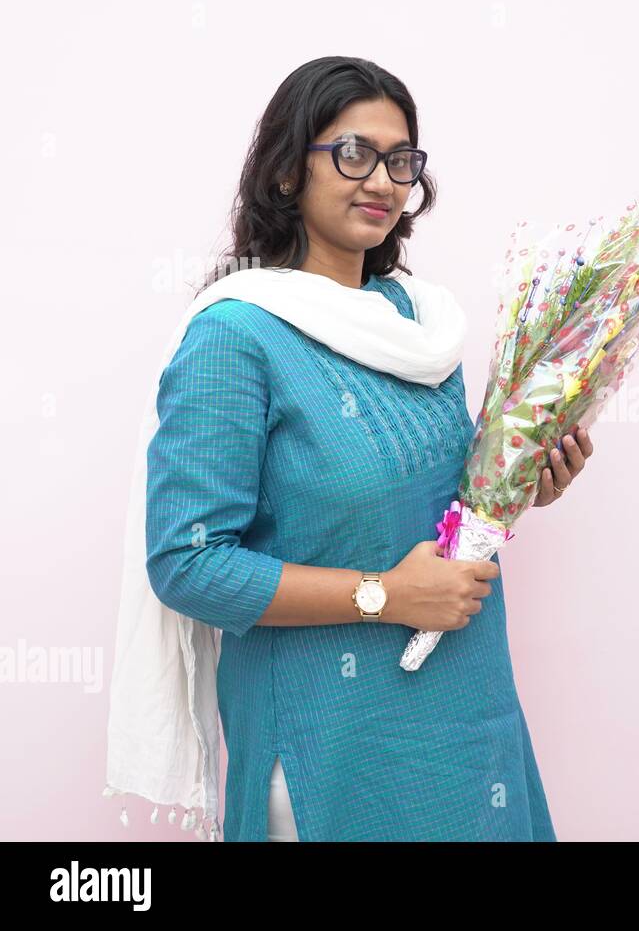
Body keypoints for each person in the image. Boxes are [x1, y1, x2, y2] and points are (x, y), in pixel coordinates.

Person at [141, 55, 594, 840]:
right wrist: (384, 594)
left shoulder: (418, 324)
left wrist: (524, 483)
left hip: (465, 718)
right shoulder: (236, 337)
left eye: (401, 161)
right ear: (287, 173)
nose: (381, 180)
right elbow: (185, 562)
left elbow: (443, 509)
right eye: (353, 154)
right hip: (332, 744)